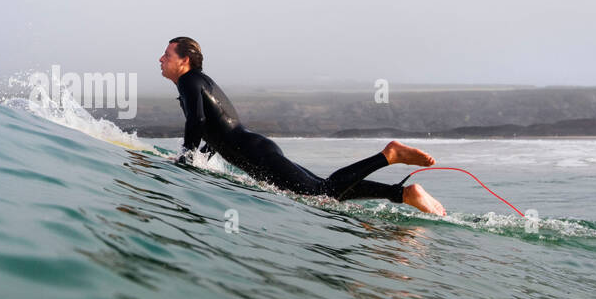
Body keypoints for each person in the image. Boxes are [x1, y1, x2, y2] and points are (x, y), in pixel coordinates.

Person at [159, 37, 446, 215]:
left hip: (255, 154)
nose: (161, 59)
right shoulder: (196, 82)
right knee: (325, 192)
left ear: (184, 61)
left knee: (324, 192)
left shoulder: (189, 80)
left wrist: (186, 158)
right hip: (256, 149)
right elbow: (213, 130)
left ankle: (388, 155)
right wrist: (201, 158)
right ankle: (402, 194)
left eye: (167, 55)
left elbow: (196, 122)